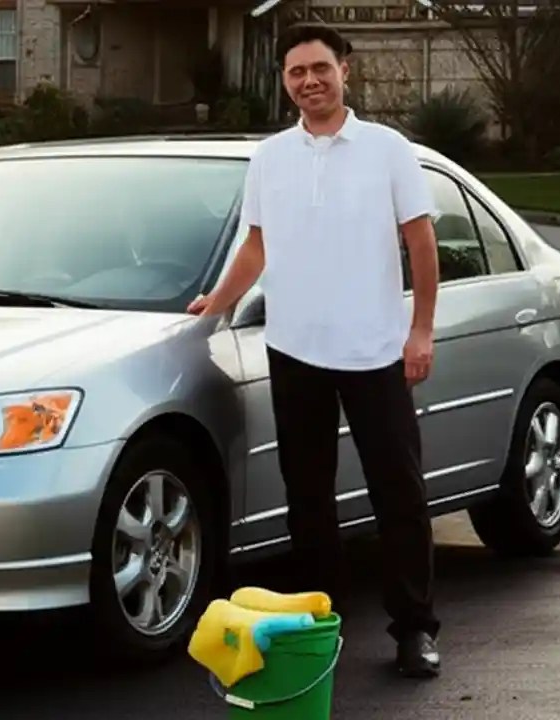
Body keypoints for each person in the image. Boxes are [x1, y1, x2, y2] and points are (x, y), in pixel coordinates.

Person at [187, 22, 443, 679]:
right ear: (284, 80)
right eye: (296, 72)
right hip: (295, 349)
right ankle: (319, 626)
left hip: (376, 350)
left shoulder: (388, 150)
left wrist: (420, 330)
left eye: (320, 69)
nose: (309, 82)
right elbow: (255, 247)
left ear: (345, 69)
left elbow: (420, 243)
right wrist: (214, 304)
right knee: (308, 496)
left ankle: (414, 628)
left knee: (399, 493)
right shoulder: (270, 158)